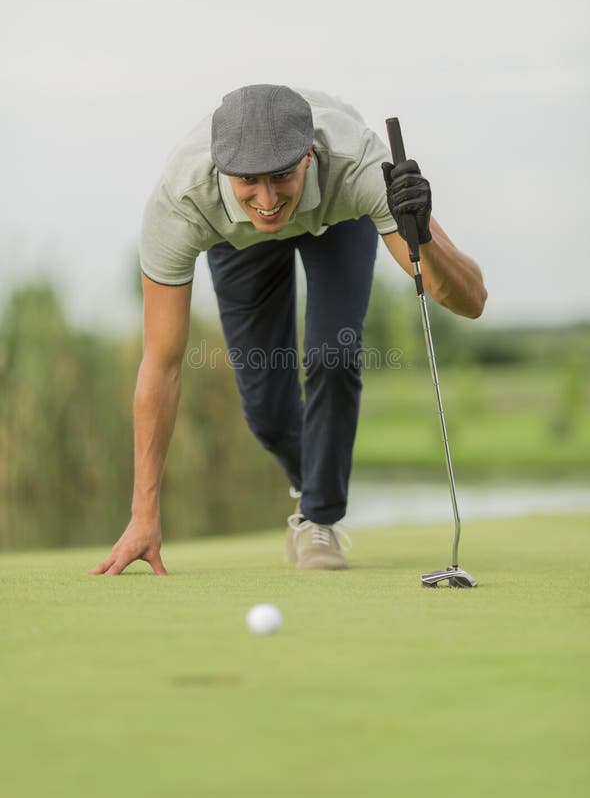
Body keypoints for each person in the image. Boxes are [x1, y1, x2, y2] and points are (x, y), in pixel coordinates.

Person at [88, 85, 487, 577]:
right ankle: (313, 483)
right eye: (248, 180)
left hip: (337, 217)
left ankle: (318, 520)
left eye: (281, 175)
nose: (268, 199)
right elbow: (163, 362)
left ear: (309, 156)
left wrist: (421, 233)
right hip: (236, 243)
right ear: (222, 170)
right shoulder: (183, 198)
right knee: (267, 413)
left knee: (334, 353)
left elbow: (470, 301)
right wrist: (143, 516)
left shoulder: (359, 165)